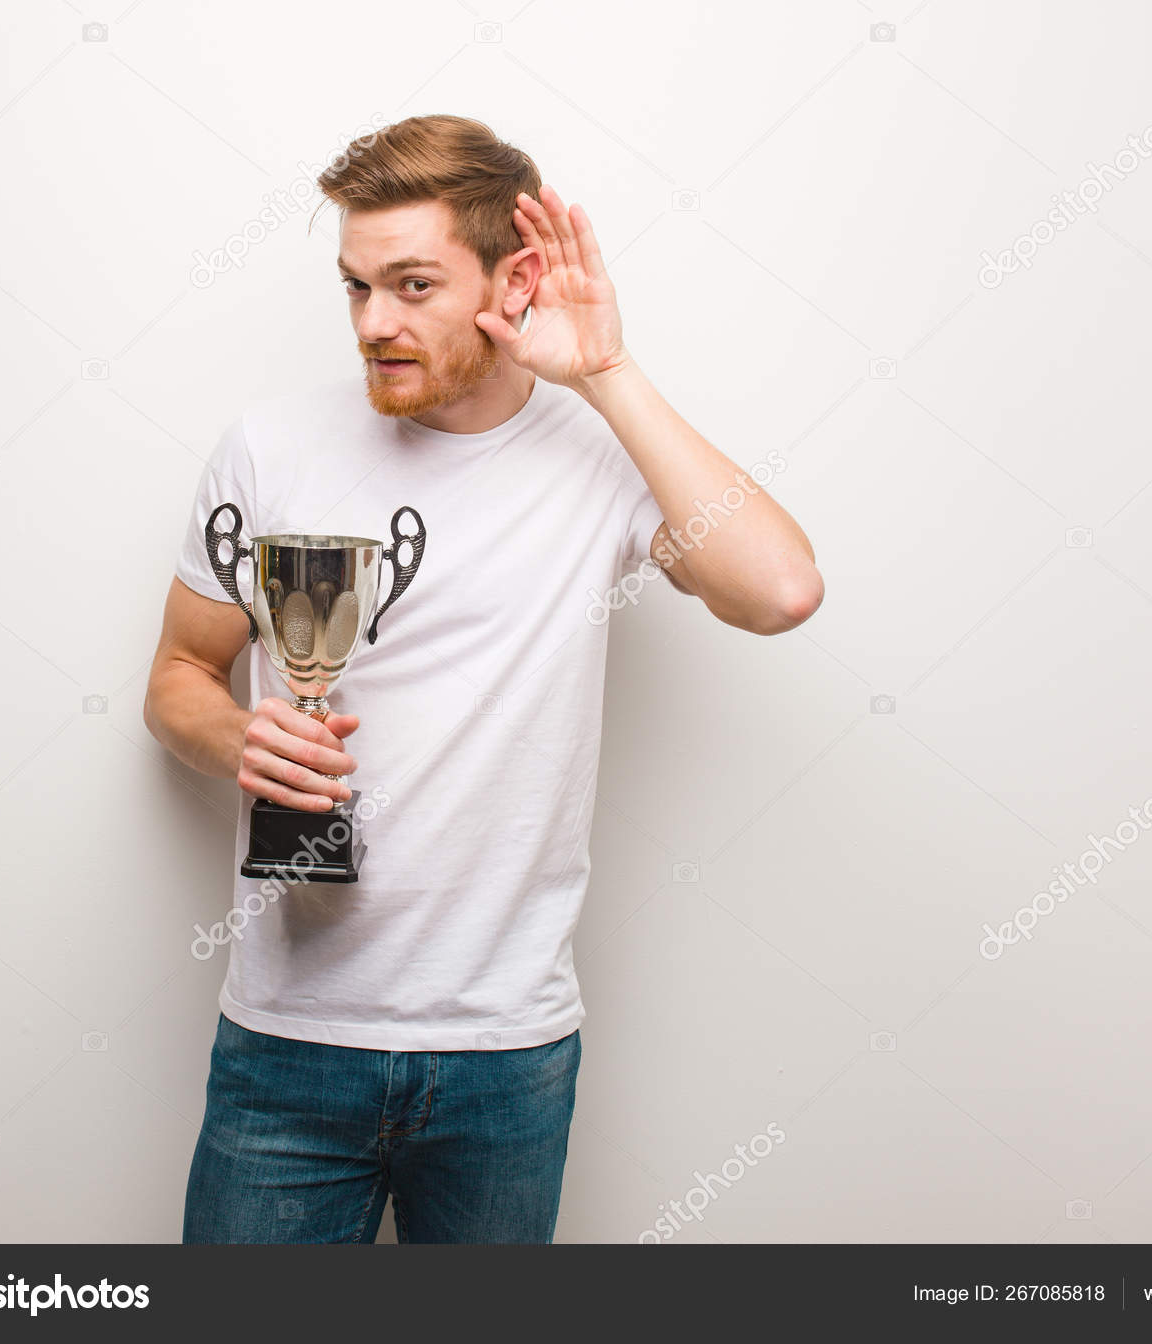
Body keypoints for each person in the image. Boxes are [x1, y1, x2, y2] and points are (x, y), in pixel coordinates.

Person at [144, 113, 823, 1244]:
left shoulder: (599, 457)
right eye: (356, 288)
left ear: (514, 279)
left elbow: (780, 592)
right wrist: (235, 739)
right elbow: (177, 676)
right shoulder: (269, 448)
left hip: (507, 1054)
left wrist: (605, 371)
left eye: (413, 285)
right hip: (287, 1047)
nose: (375, 324)